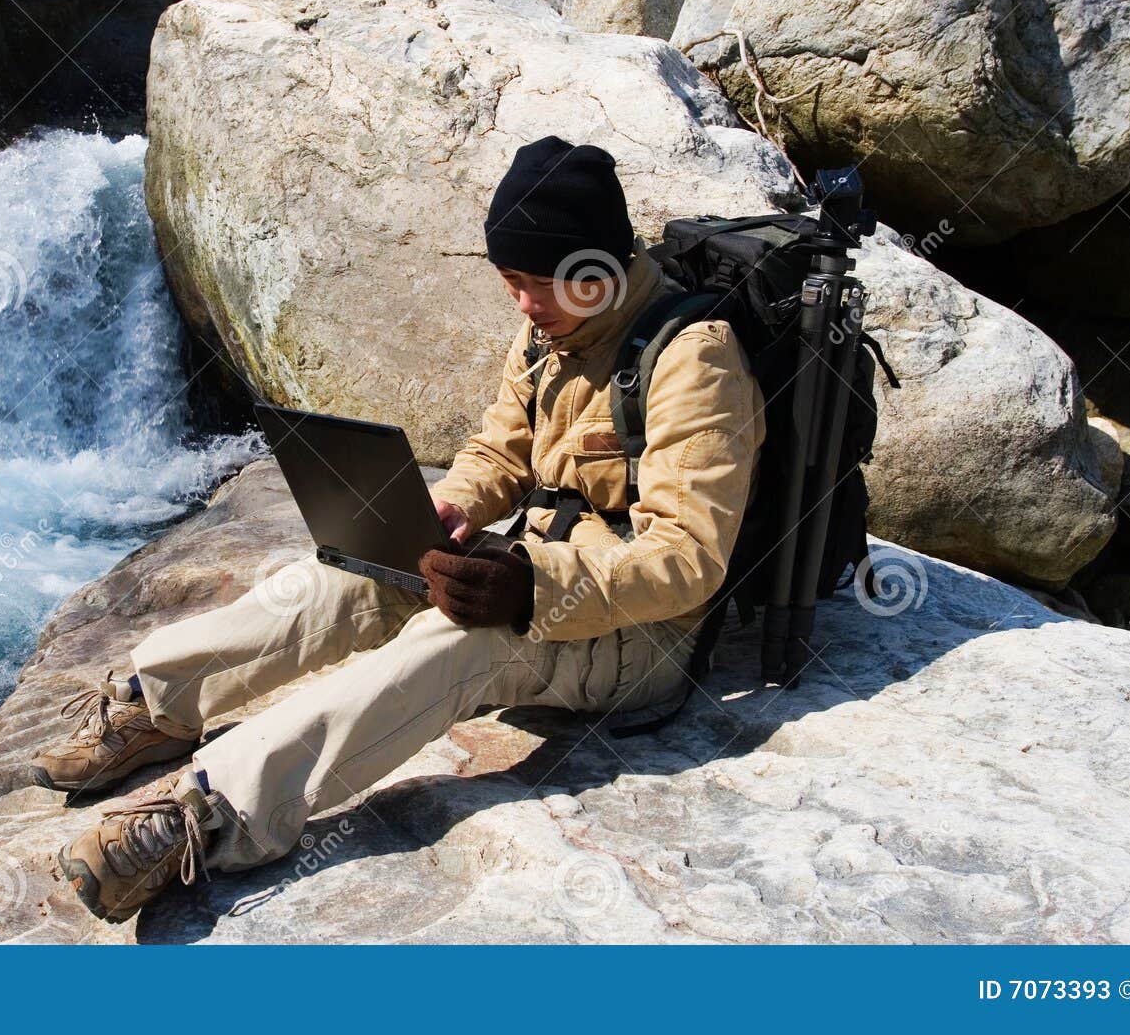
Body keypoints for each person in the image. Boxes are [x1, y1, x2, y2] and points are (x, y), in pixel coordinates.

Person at [42, 135, 767, 923]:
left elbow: (688, 558)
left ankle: (207, 814)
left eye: (536, 283)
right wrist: (448, 512)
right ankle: (155, 701)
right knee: (348, 575)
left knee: (456, 645)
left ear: (595, 270)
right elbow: (500, 448)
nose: (522, 304)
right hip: (538, 567)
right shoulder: (552, 326)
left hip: (645, 639)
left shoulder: (697, 360)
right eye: (510, 283)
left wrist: (531, 587)